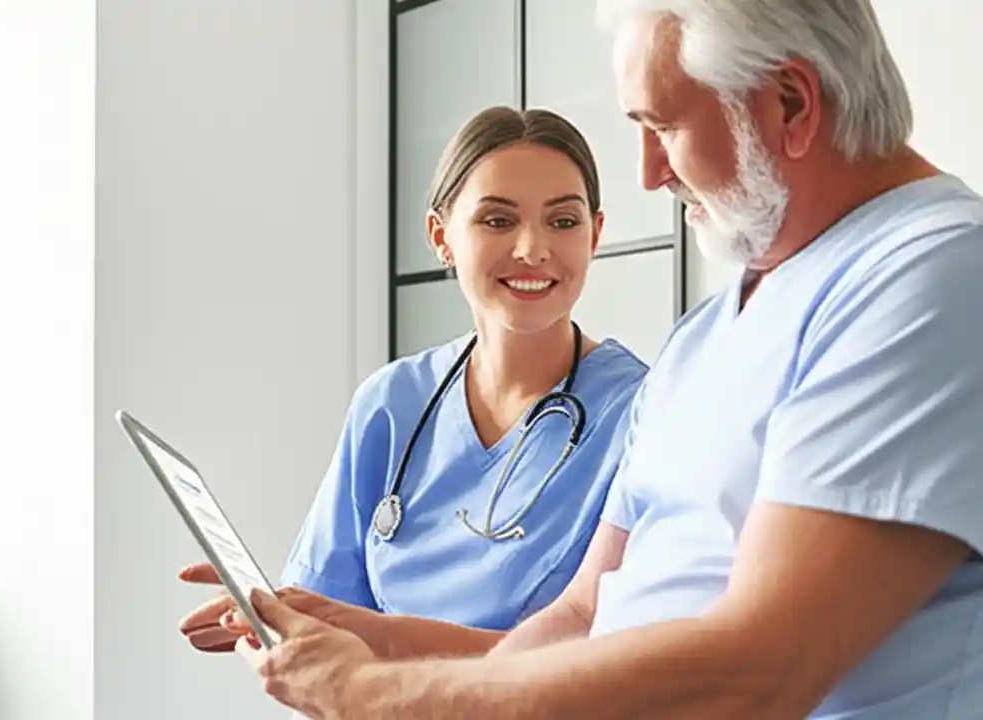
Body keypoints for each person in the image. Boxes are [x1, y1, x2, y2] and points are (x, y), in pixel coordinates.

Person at [198, 1, 983, 718]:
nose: (643, 175)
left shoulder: (947, 283)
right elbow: (579, 618)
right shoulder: (708, 337)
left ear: (791, 103)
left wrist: (384, 699)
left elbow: (758, 676)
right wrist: (371, 650)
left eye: (661, 127)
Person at [177, 105, 649, 654]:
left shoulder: (641, 412)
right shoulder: (391, 403)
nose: (532, 248)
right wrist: (272, 623)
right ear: (441, 235)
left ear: (595, 234)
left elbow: (608, 654)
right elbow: (323, 611)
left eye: (563, 221)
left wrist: (357, 633)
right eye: (498, 220)